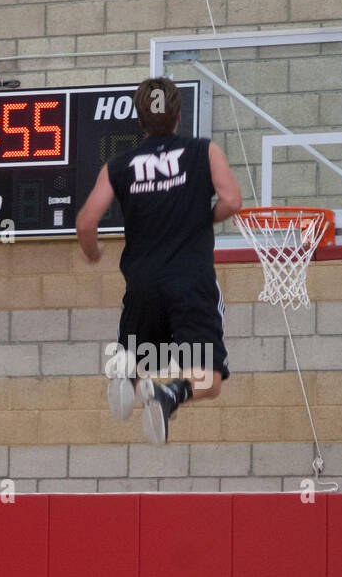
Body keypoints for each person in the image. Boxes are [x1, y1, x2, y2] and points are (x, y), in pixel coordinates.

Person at [75, 76, 242, 445]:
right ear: (178, 116)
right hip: (190, 283)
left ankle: (127, 376)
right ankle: (170, 395)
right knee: (209, 377)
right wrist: (204, 217)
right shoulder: (204, 151)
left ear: (139, 120)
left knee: (143, 357)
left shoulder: (119, 166)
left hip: (143, 286)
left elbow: (86, 223)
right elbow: (232, 201)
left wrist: (93, 253)